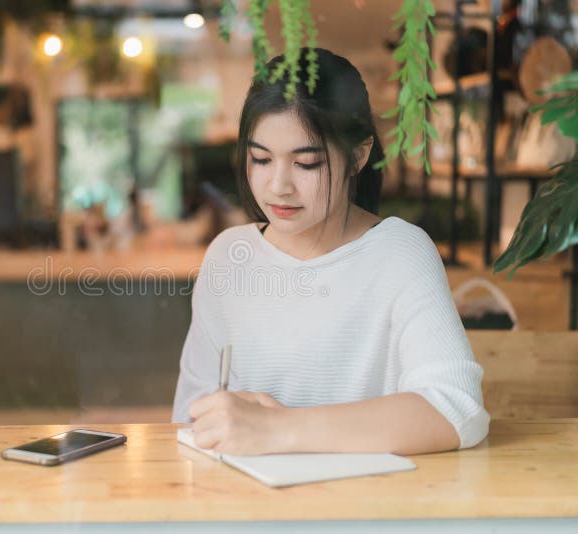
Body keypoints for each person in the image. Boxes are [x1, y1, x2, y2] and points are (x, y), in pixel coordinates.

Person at [171, 48, 490, 456]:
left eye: (306, 164)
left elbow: (456, 409)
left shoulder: (399, 254)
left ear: (358, 155)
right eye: (260, 159)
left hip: (367, 512)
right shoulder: (229, 258)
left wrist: (279, 429)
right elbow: (189, 418)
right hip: (250, 511)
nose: (278, 186)